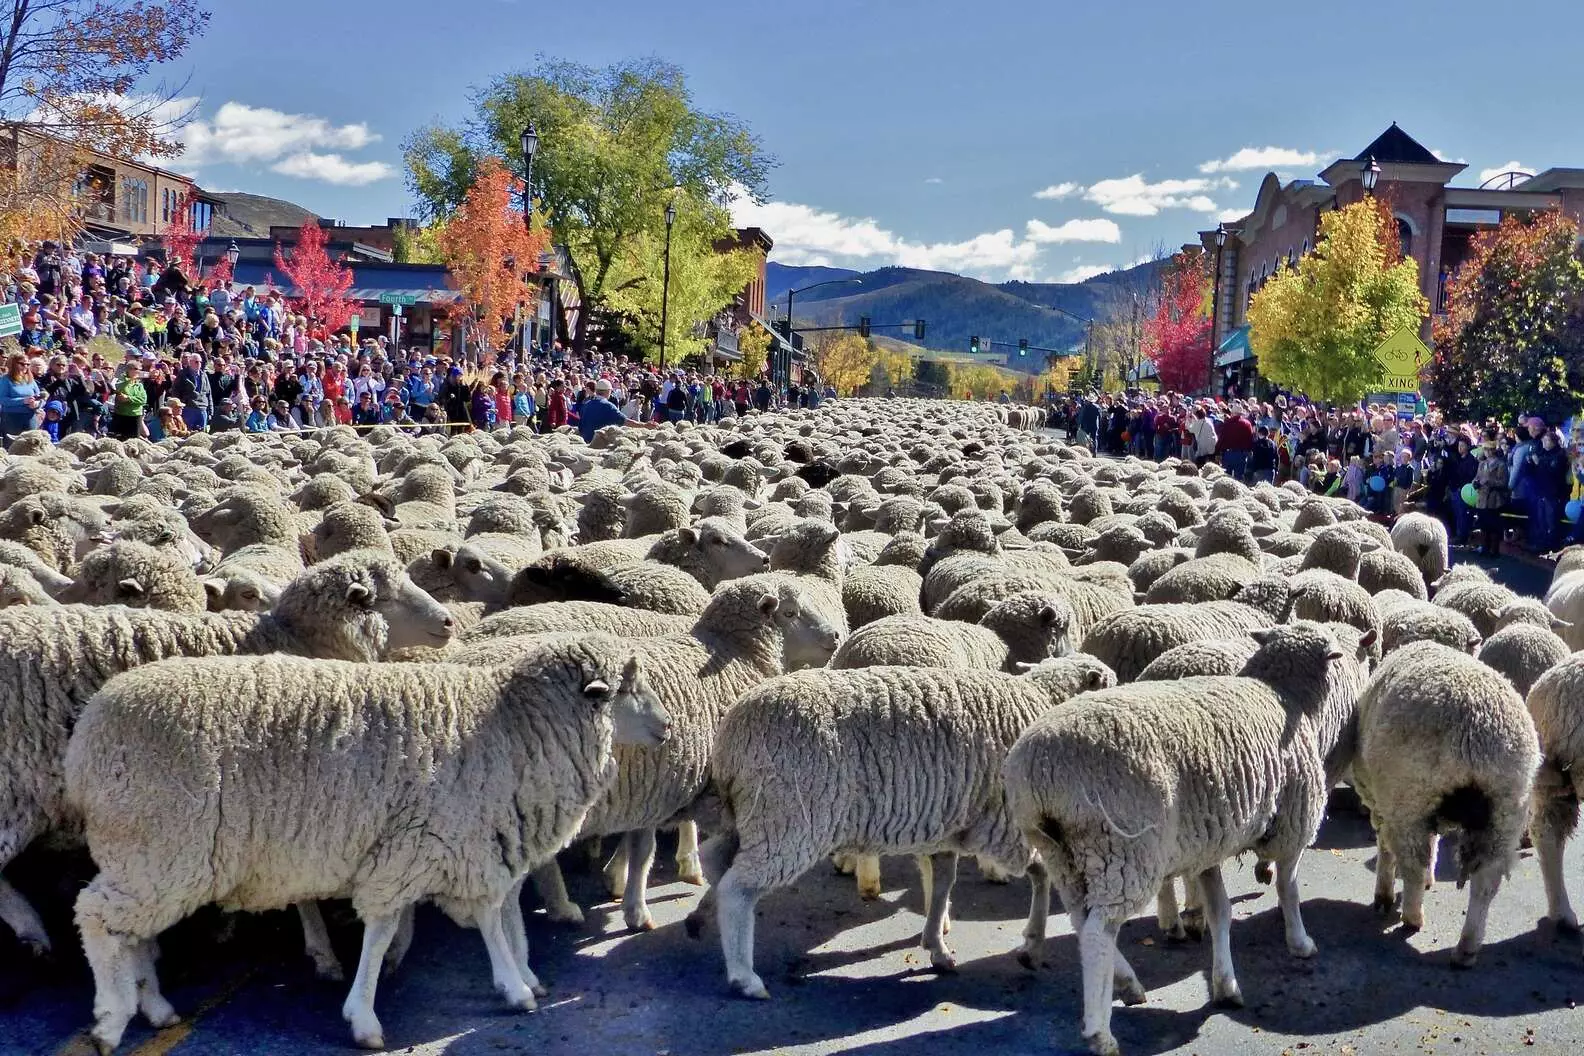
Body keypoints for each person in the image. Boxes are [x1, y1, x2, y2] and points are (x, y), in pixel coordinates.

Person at [577, 377, 656, 443]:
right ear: (608, 391)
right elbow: (625, 421)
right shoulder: (608, 406)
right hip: (600, 443)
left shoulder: (586, 404)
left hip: (585, 442)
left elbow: (580, 425)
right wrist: (645, 425)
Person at [1474, 437, 1510, 556]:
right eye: (1485, 450)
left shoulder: (1501, 465)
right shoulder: (1482, 464)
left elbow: (1504, 483)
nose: (1486, 452)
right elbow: (1477, 477)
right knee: (1483, 525)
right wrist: (1476, 483)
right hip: (1482, 498)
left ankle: (1494, 550)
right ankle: (1484, 547)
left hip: (1494, 499)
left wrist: (1489, 481)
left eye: (1488, 450)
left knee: (1493, 526)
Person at [0, 351, 41, 446]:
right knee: (13, 446)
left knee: (32, 446)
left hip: (30, 417)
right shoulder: (5, 380)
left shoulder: (30, 380)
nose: (25, 366)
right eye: (22, 364)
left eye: (28, 364)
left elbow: (39, 397)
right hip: (12, 418)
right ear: (13, 364)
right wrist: (23, 401)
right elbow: (3, 399)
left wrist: (37, 404)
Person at [109, 360, 148, 440]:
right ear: (130, 369)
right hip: (121, 414)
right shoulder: (121, 380)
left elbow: (143, 400)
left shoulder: (139, 384)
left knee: (133, 441)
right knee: (118, 439)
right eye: (137, 369)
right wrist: (130, 380)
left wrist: (128, 398)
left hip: (135, 416)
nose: (139, 371)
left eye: (140, 369)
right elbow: (119, 388)